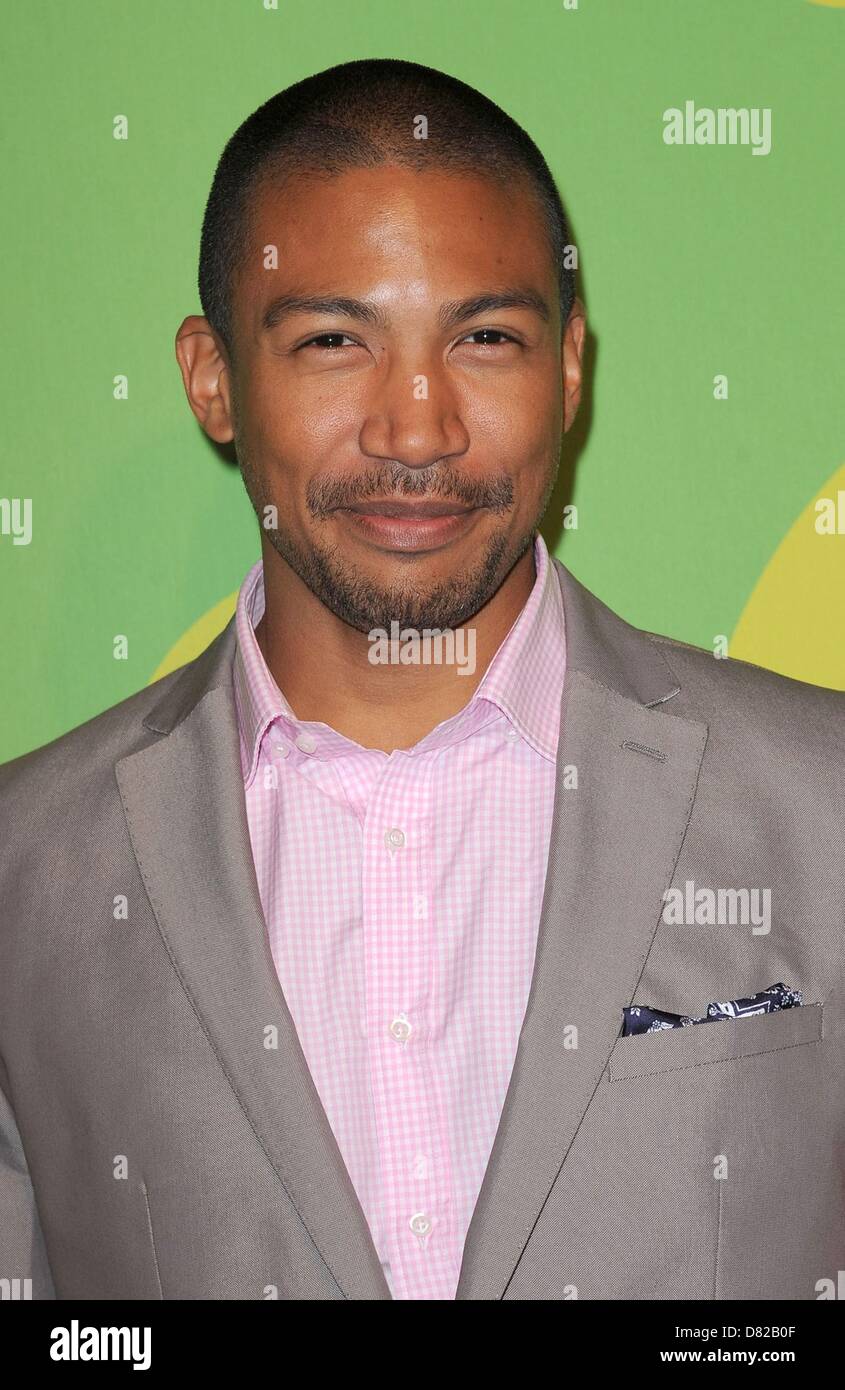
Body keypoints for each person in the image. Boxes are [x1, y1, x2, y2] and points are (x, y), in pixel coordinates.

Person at [0, 58, 842, 1303]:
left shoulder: (817, 803)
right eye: (335, 340)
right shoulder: (30, 865)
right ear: (213, 377)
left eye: (483, 337)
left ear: (567, 369)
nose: (415, 429)